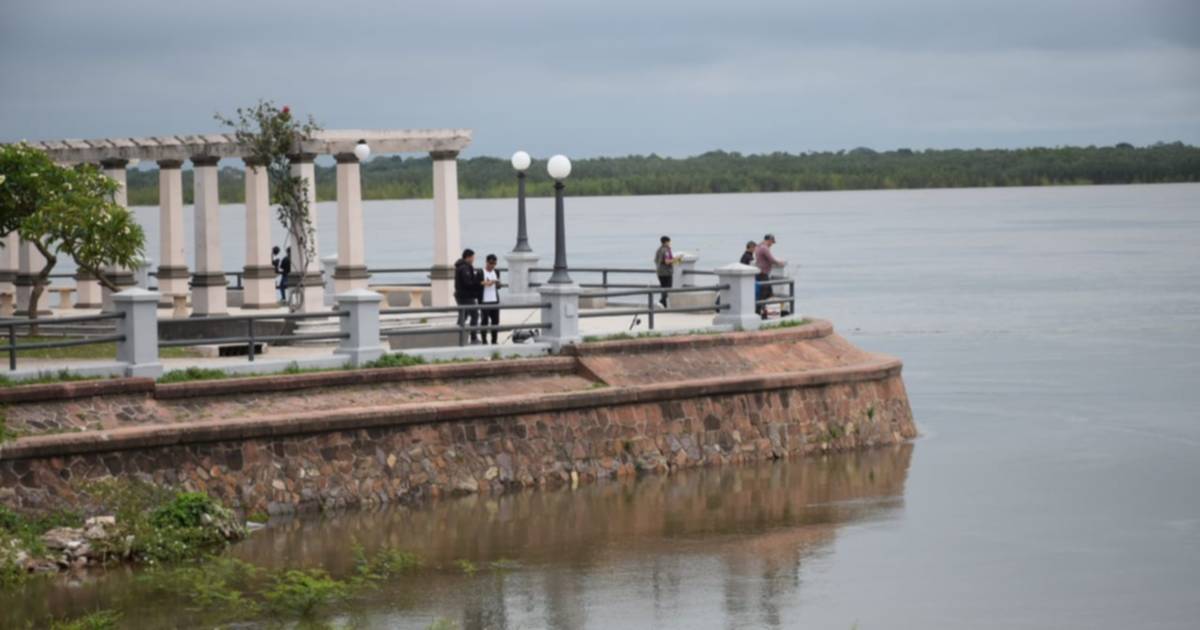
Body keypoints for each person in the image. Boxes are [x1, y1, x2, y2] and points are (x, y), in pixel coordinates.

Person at [454, 248, 482, 343]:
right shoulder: (464, 268)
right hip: (466, 296)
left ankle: (458, 337)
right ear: (468, 257)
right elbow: (467, 283)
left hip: (461, 295)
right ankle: (473, 337)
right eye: (473, 257)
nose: (473, 259)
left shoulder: (462, 266)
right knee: (475, 315)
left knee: (463, 316)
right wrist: (478, 282)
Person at [754, 234, 783, 319]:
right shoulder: (764, 248)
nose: (772, 244)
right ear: (769, 240)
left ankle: (762, 312)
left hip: (760, 273)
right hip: (763, 274)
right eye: (772, 242)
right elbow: (771, 259)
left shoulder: (758, 246)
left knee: (764, 294)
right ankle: (764, 314)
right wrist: (779, 263)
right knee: (767, 295)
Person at [479, 254, 501, 345]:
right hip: (484, 300)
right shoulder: (481, 272)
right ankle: (484, 340)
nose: (492, 265)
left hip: (494, 300)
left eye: (494, 263)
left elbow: (498, 286)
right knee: (484, 321)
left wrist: (498, 283)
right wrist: (486, 283)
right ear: (487, 262)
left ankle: (494, 340)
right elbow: (477, 283)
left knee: (495, 321)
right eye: (491, 263)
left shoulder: (496, 272)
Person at [653, 235, 675, 308]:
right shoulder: (666, 250)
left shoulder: (659, 250)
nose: (670, 243)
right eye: (669, 242)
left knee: (663, 289)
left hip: (660, 272)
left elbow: (655, 260)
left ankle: (664, 305)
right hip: (666, 272)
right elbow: (667, 261)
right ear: (666, 242)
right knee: (668, 289)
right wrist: (676, 260)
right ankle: (661, 302)